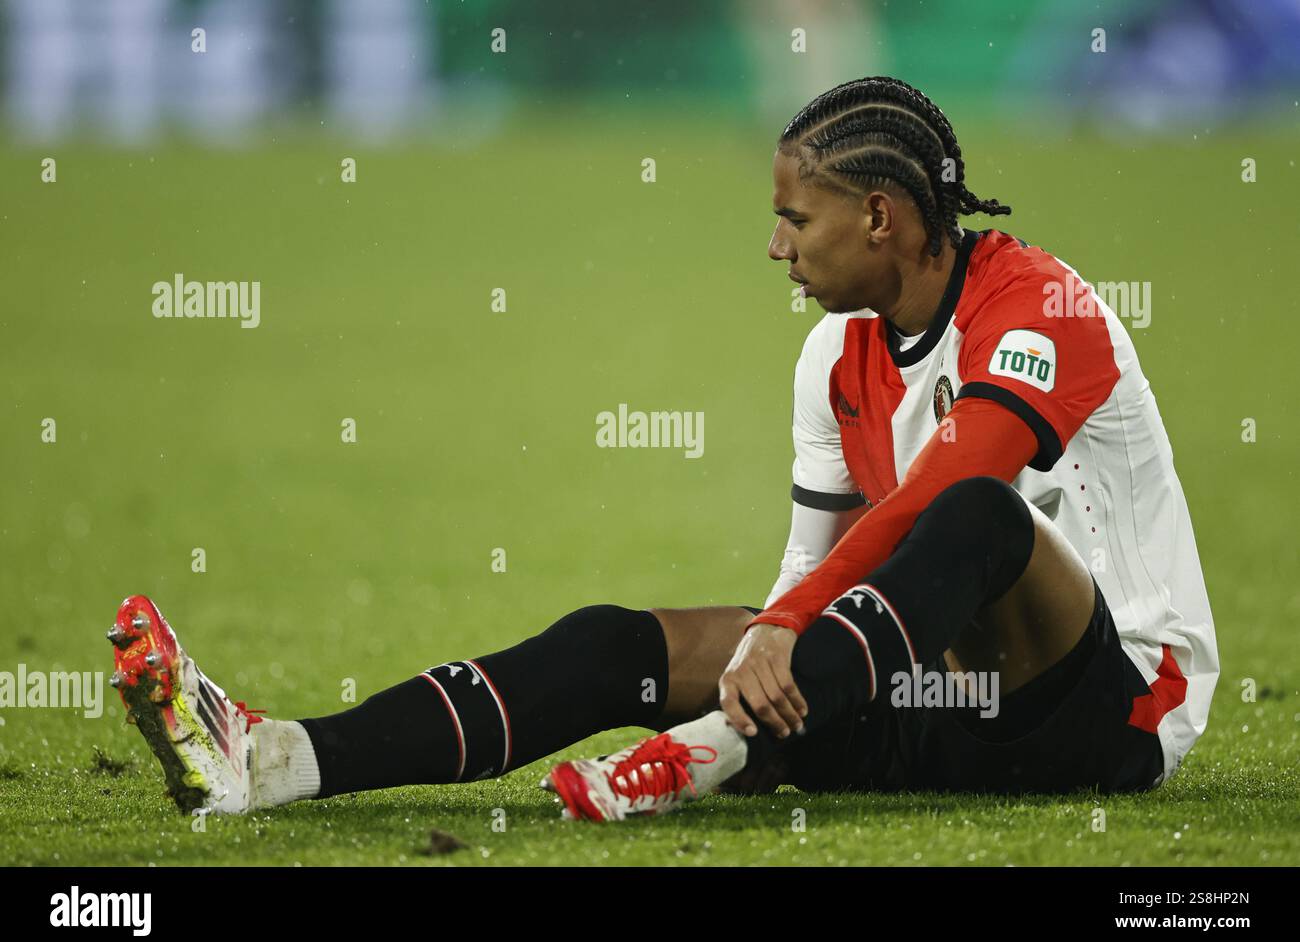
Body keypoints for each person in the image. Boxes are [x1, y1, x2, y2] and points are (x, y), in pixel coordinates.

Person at [106, 76, 1217, 821]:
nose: (773, 245)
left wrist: (783, 635)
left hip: (1107, 713)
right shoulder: (833, 356)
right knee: (610, 644)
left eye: (797, 218)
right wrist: (759, 651)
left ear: (880, 217)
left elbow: (952, 490)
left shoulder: (1044, 307)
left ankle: (703, 756)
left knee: (975, 514)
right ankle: (271, 760)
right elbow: (808, 564)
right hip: (929, 704)